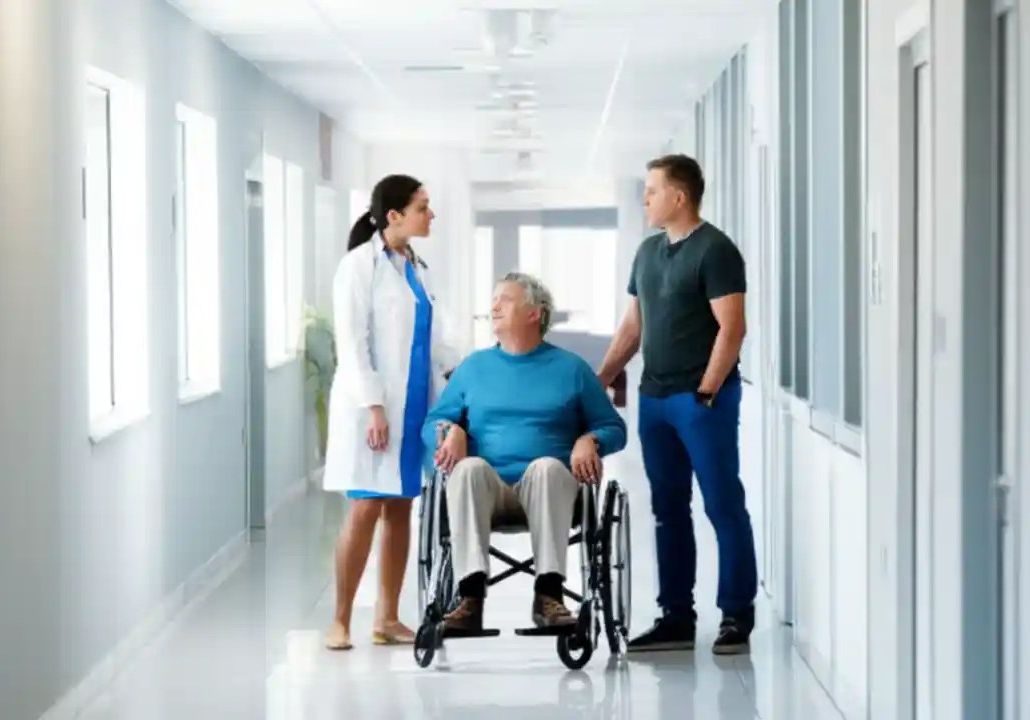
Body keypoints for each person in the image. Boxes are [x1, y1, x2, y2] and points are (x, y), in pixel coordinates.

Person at [596, 154, 756, 655]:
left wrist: (707, 391)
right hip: (656, 400)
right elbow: (632, 328)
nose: (645, 198)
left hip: (701, 400)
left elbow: (732, 328)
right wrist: (599, 379)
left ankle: (735, 613)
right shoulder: (647, 253)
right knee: (667, 508)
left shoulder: (715, 250)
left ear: (679, 197)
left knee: (722, 503)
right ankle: (676, 616)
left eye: (652, 190)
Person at [423, 273, 627, 632]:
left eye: (505, 299)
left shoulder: (571, 369)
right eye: (493, 299)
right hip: (489, 490)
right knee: (467, 468)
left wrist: (590, 440)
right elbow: (433, 423)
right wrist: (449, 430)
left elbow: (614, 428)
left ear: (535, 313)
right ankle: (469, 599)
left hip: (552, 490)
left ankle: (548, 595)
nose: (493, 306)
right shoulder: (473, 368)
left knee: (548, 467)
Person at [322, 174, 457, 650]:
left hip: (417, 404)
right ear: (394, 215)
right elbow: (352, 344)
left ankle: (388, 618)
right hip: (373, 407)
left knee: (401, 507)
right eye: (423, 206)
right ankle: (340, 619)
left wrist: (461, 378)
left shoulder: (418, 267)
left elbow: (435, 341)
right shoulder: (359, 266)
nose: (431, 214)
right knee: (365, 507)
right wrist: (374, 406)